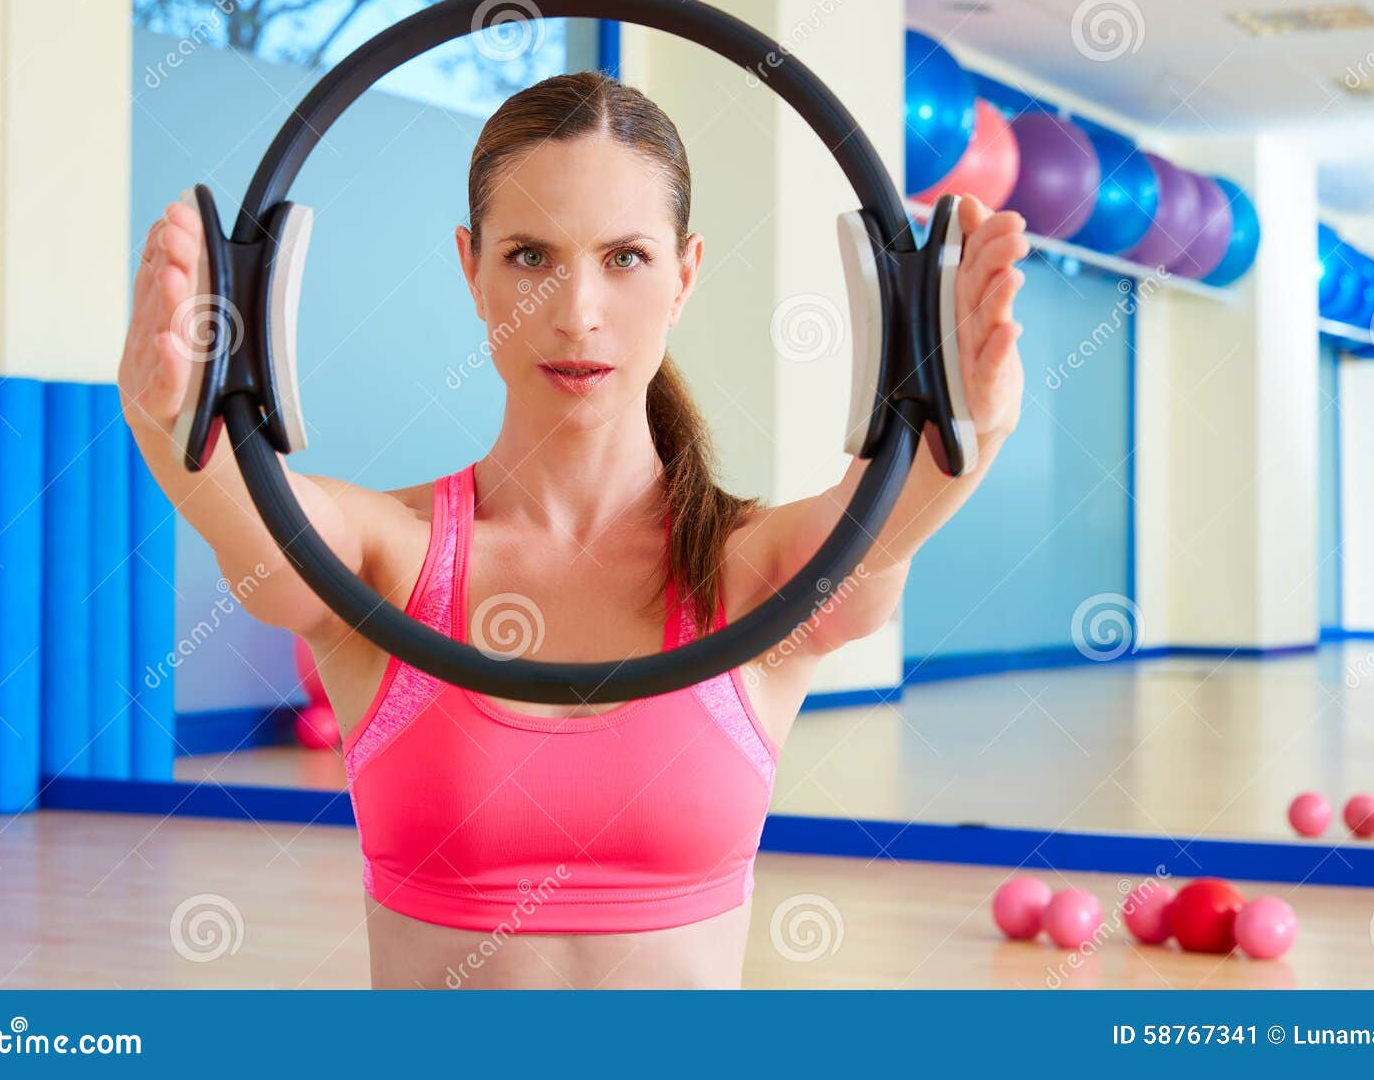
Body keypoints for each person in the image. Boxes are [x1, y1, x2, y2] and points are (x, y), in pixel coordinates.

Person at [118, 69, 1029, 989]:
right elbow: (264, 535)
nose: (576, 311)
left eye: (625, 256)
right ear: (472, 269)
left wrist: (971, 427)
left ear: (687, 273)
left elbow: (881, 526)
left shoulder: (754, 572)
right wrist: (169, 424)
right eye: (530, 255)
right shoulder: (389, 556)